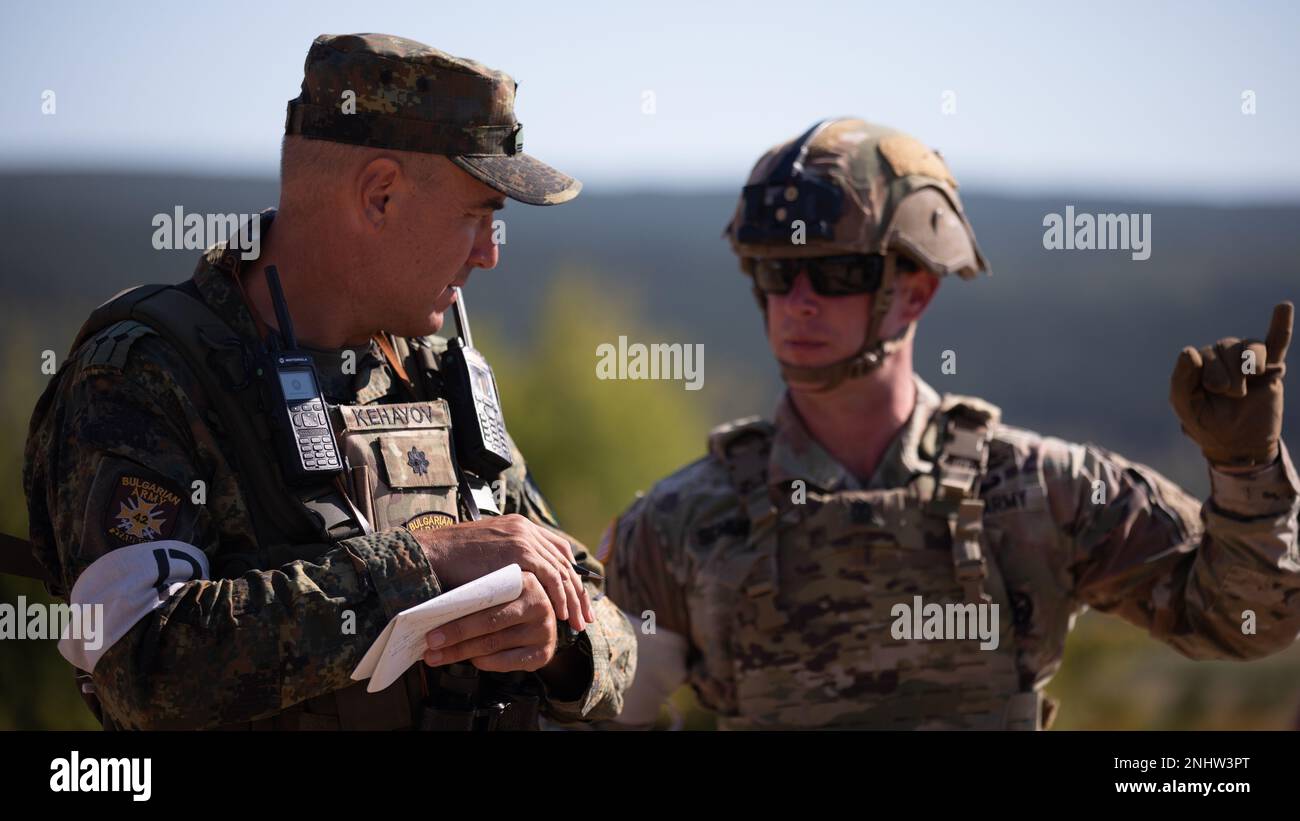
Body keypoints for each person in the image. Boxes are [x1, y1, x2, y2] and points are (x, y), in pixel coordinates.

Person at [20, 33, 635, 731]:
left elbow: (604, 612)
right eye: (476, 215)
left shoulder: (432, 369)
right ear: (379, 196)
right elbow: (141, 667)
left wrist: (559, 646)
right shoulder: (146, 377)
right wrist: (425, 563)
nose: (490, 254)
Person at [600, 117, 1297, 730]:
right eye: (776, 271)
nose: (799, 300)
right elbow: (599, 716)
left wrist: (1246, 473)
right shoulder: (679, 523)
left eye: (836, 272)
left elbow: (1247, 623)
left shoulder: (1045, 490)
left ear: (916, 291)